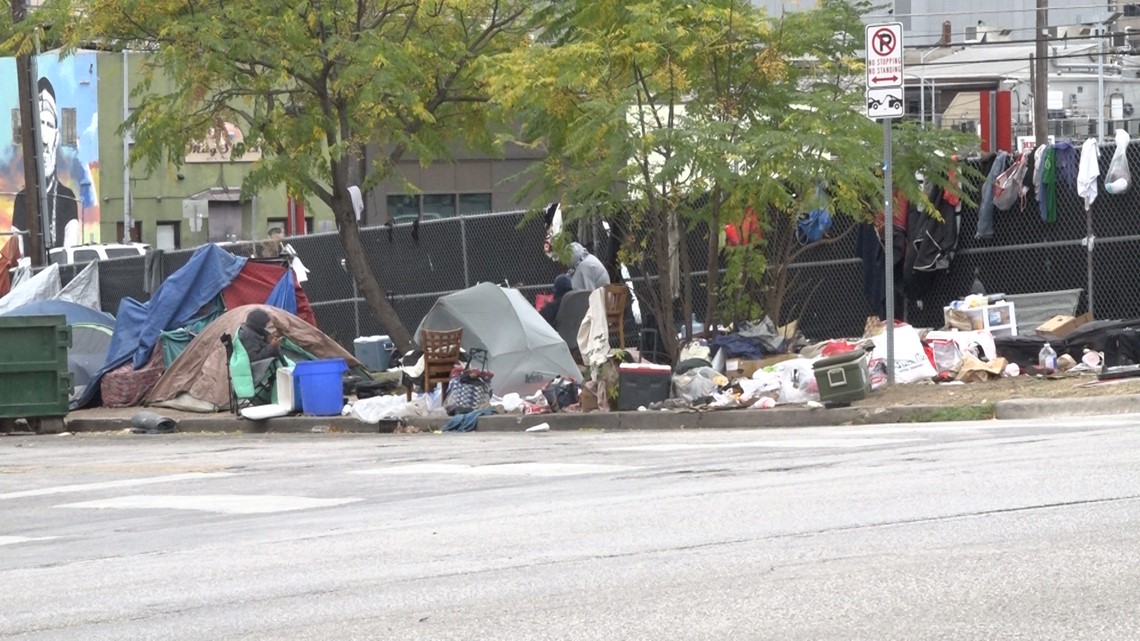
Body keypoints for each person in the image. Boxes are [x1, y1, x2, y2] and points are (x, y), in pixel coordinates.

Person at [12, 77, 79, 250]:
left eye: (48, 124)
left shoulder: (68, 198)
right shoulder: (21, 199)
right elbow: (16, 252)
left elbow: (70, 254)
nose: (44, 140)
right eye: (39, 123)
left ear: (56, 137)